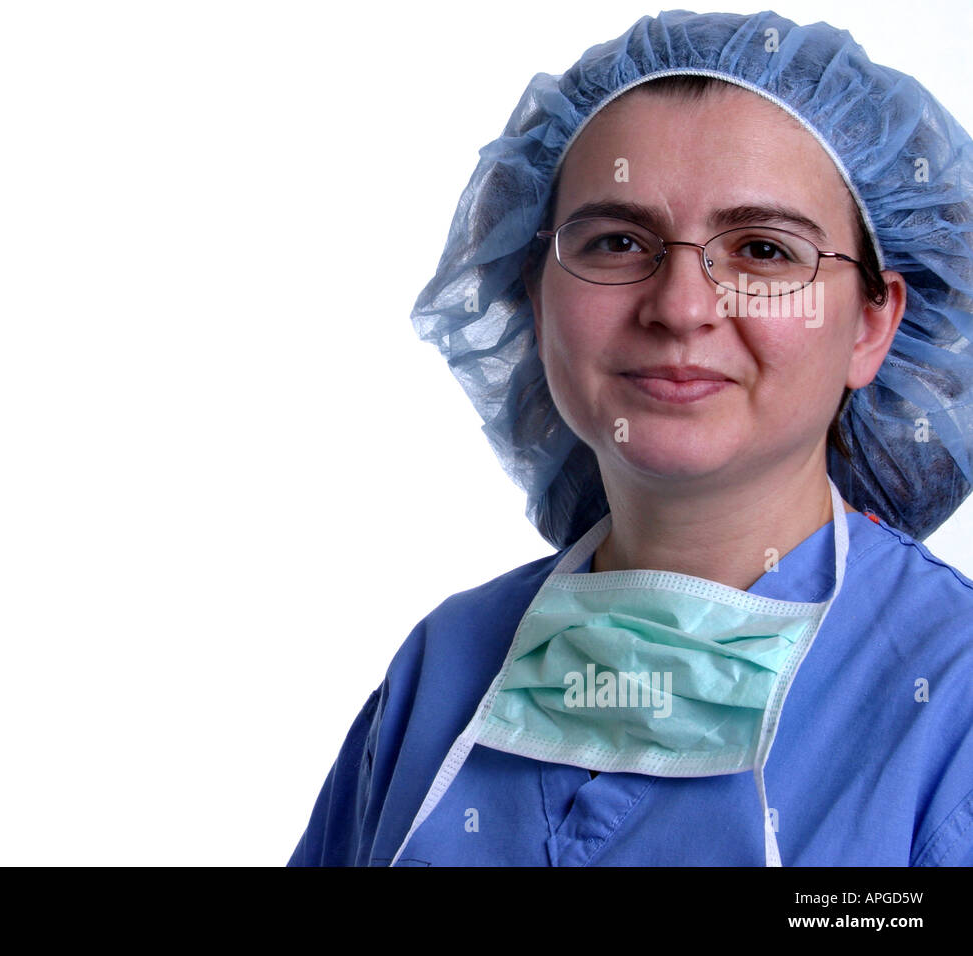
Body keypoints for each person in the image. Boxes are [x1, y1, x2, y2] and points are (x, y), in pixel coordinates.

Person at [288, 9, 973, 866]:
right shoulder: (444, 669)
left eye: (763, 248)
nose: (682, 307)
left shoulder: (951, 702)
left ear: (874, 325)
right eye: (617, 241)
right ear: (534, 292)